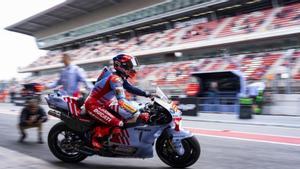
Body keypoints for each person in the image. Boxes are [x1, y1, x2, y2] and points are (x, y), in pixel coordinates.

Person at [84, 54, 153, 150]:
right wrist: (138, 113)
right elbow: (122, 102)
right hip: (94, 105)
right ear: (120, 66)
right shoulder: (115, 79)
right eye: (129, 66)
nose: (132, 68)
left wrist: (147, 94)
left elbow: (130, 88)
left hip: (105, 103)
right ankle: (95, 138)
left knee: (125, 115)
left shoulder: (119, 76)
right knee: (119, 123)